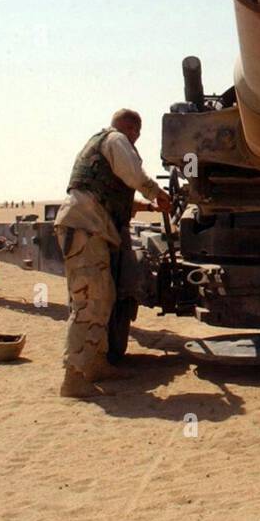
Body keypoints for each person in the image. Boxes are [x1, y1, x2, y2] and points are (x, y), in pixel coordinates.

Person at [54, 109, 170, 398]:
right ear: (133, 129)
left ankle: (95, 364)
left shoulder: (103, 147)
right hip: (85, 226)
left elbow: (111, 196)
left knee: (102, 296)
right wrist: (156, 192)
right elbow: (132, 173)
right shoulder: (116, 140)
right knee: (89, 299)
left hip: (91, 224)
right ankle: (74, 377)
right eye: (137, 132)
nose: (136, 138)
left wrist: (149, 207)